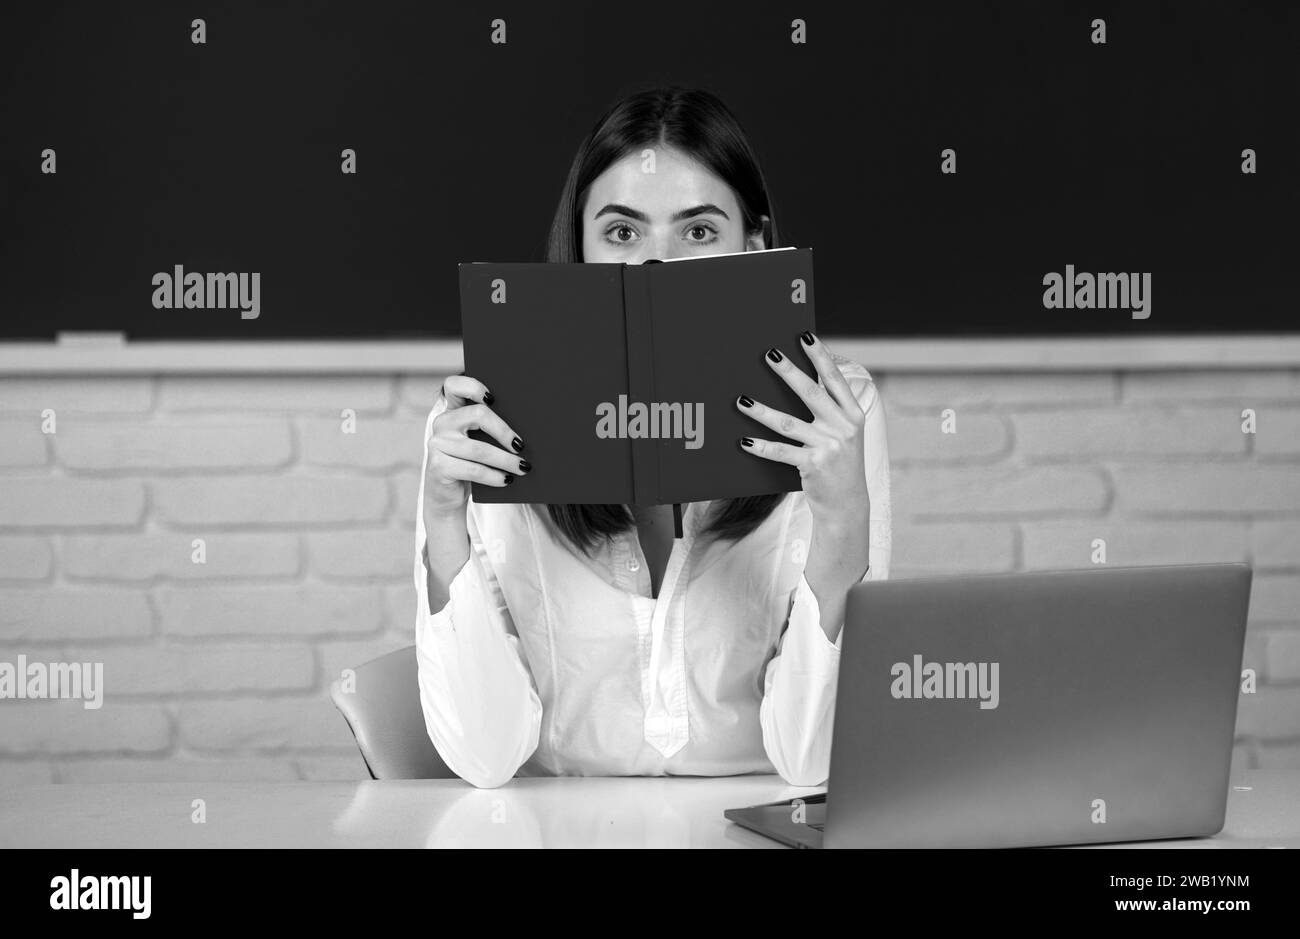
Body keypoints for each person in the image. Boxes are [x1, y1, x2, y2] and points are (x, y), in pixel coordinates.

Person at [415, 86, 891, 788]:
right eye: (622, 232)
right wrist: (442, 520)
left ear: (754, 245)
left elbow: (811, 761)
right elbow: (485, 759)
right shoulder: (482, 421)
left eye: (698, 231)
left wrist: (844, 517)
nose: (655, 266)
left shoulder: (836, 417)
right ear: (579, 248)